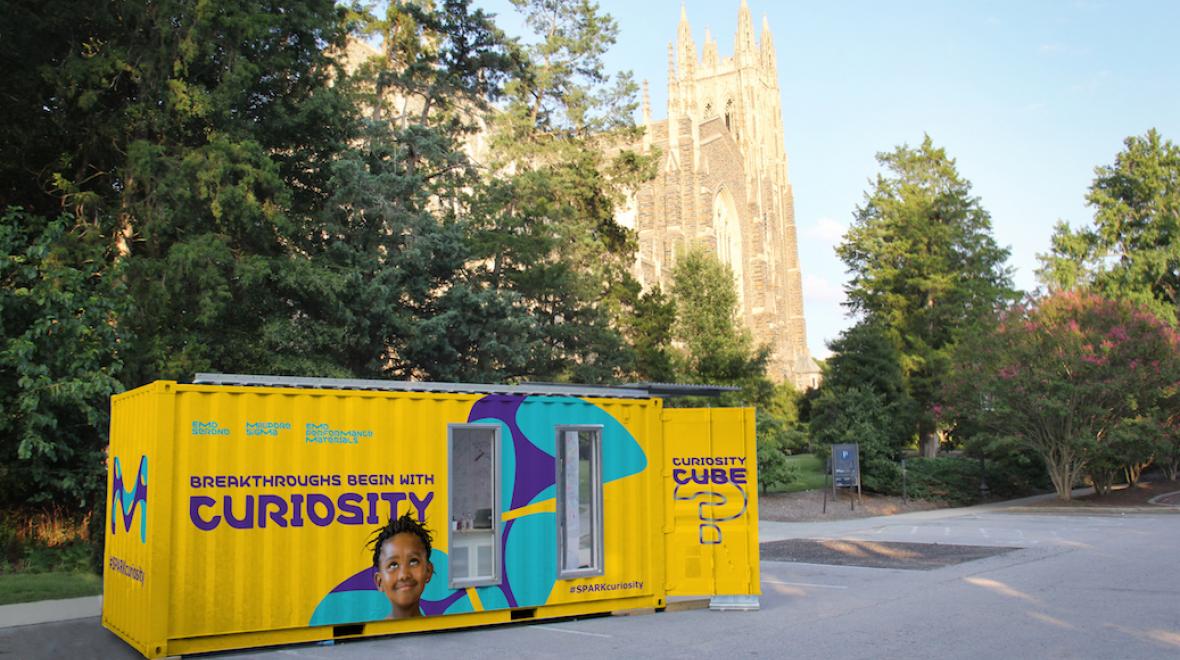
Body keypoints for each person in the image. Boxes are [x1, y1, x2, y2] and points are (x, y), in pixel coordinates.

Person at [371, 513, 434, 619]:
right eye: (393, 565)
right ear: (379, 581)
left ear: (428, 570)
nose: (404, 575)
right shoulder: (374, 635)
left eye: (413, 562)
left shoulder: (439, 634)